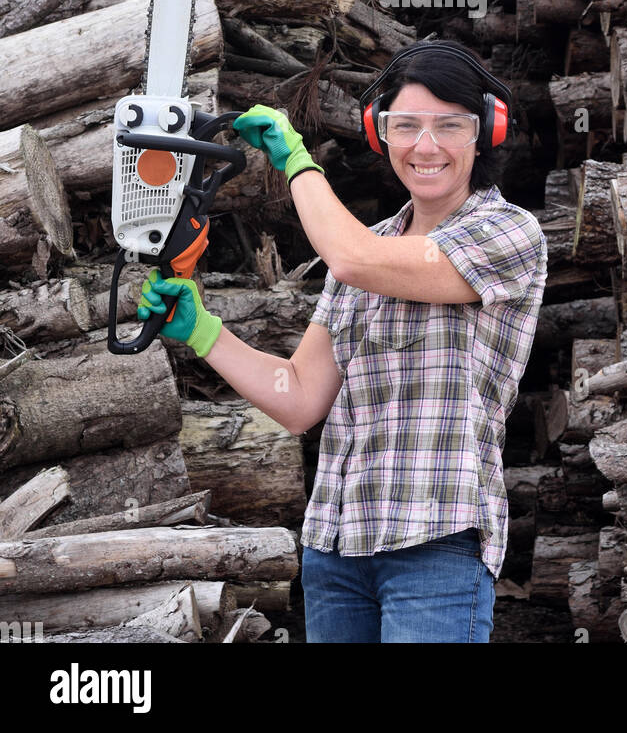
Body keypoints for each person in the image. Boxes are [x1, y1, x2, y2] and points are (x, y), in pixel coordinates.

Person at [136, 39, 548, 643]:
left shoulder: (507, 233)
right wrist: (203, 332)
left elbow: (355, 258)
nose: (424, 145)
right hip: (336, 550)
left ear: (485, 131)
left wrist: (296, 161)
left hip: (435, 546)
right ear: (381, 134)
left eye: (448, 127)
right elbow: (299, 396)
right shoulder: (364, 248)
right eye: (405, 125)